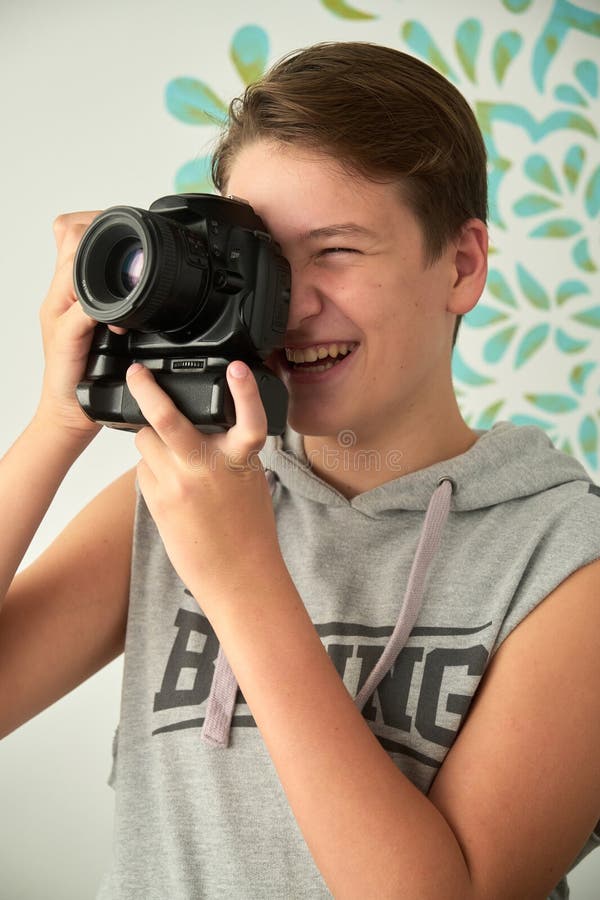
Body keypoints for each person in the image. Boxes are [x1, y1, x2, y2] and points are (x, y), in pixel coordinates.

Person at [1, 40, 599, 900]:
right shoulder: (187, 492)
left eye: (337, 252)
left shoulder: (564, 557)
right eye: (267, 263)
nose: (288, 307)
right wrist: (59, 419)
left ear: (462, 265)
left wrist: (241, 578)